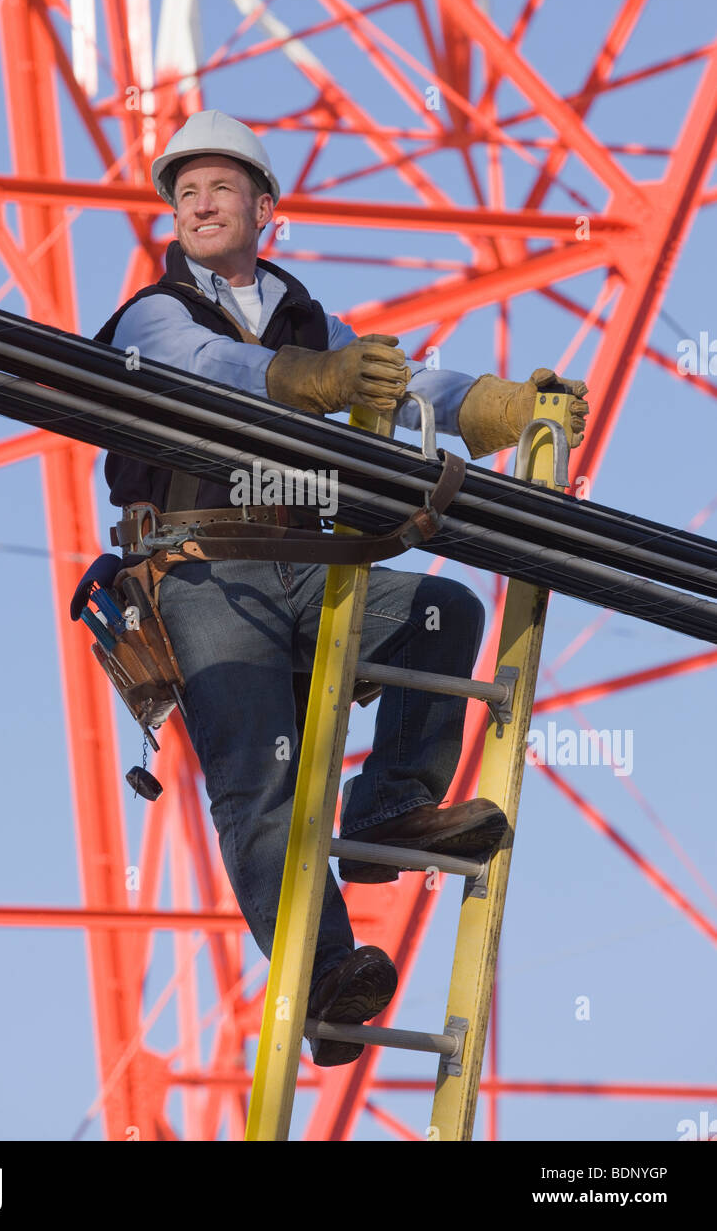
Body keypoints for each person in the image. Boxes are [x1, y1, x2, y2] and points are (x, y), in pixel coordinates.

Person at [94, 110, 589, 1066]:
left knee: (446, 613)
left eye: (219, 189)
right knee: (260, 776)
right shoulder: (155, 314)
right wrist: (307, 377)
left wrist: (499, 405)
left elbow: (407, 388)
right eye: (185, 191)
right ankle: (324, 967)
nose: (199, 206)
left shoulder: (311, 316)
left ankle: (385, 812)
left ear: (263, 207)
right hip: (202, 574)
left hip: (310, 565)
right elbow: (213, 369)